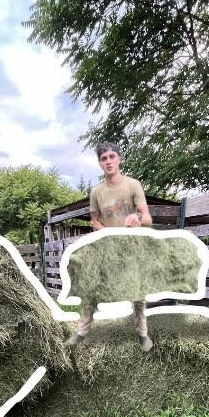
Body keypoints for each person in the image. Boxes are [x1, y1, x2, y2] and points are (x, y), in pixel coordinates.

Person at [65, 141, 155, 351]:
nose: (108, 161)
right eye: (103, 158)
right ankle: (81, 332)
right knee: (91, 287)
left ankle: (142, 334)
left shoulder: (133, 185)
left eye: (112, 157)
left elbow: (148, 217)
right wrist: (102, 230)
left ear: (119, 159)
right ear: (99, 163)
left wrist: (137, 219)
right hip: (107, 248)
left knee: (138, 291)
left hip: (131, 247)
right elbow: (93, 220)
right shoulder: (96, 192)